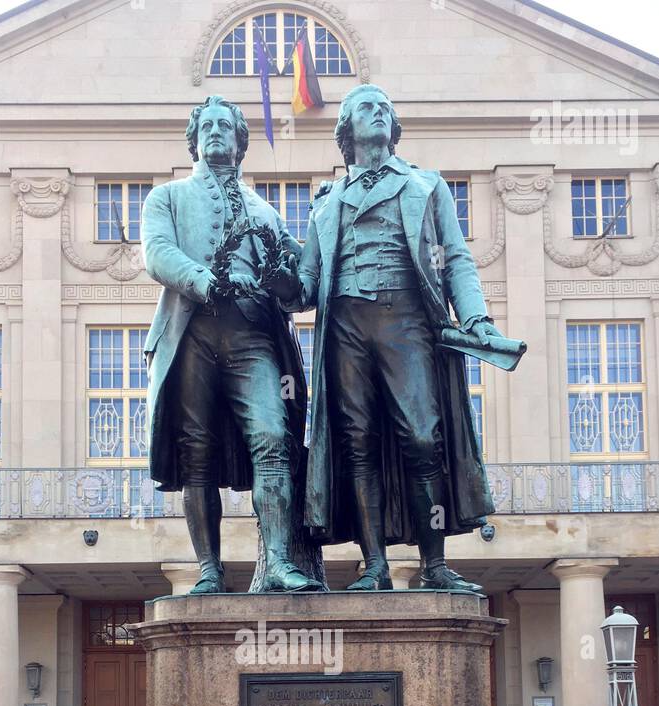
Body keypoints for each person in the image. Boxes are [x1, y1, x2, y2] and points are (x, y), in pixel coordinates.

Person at [297, 84, 520, 593]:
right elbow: (306, 284)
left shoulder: (426, 185)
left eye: (385, 109)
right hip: (346, 327)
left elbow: (457, 258)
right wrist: (276, 278)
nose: (377, 114)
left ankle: (435, 563)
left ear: (393, 129)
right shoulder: (326, 201)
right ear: (346, 131)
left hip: (407, 322)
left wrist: (477, 317)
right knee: (357, 444)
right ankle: (373, 566)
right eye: (365, 109)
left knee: (423, 438)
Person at [141, 95, 320, 594]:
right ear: (194, 140)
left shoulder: (267, 211)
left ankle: (280, 563)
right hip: (193, 332)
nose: (217, 132)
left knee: (272, 438)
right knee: (196, 450)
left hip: (252, 337)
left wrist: (283, 279)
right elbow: (157, 253)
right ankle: (208, 570)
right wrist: (205, 280)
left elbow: (300, 291)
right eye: (208, 126)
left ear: (241, 144)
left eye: (227, 127)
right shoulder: (167, 197)